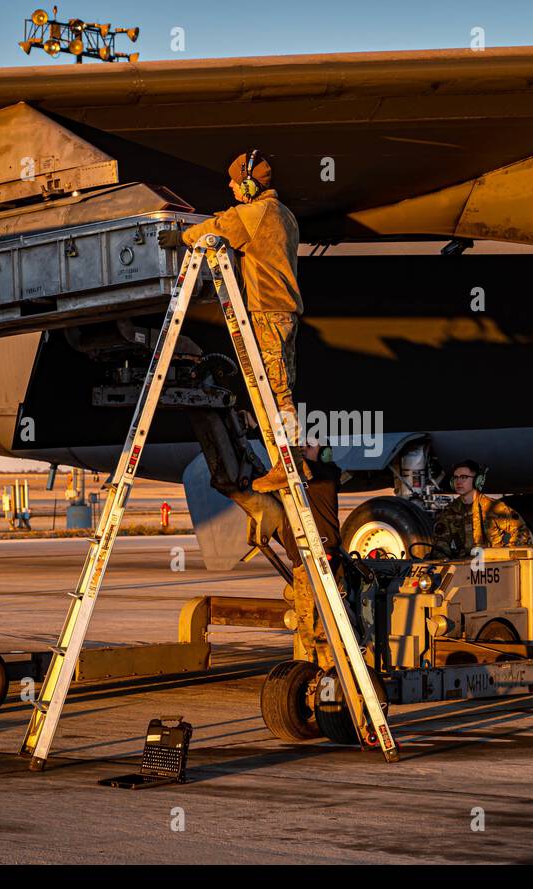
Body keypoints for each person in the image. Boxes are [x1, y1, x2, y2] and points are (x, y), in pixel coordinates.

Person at [173, 149, 304, 493]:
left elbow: (219, 228)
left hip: (268, 311)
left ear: (248, 186)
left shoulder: (255, 214)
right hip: (285, 311)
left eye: (234, 181)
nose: (230, 186)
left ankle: (290, 461)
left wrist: (181, 237)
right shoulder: (283, 213)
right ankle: (292, 459)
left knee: (277, 393)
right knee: (282, 387)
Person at [273, 441, 340, 655]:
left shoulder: (327, 474)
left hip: (320, 561)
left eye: (309, 446)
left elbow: (295, 465)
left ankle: (329, 674)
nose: (303, 449)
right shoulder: (298, 480)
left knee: (325, 630)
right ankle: (316, 671)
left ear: (324, 453)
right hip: (302, 563)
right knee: (307, 631)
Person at [432, 459, 531, 557]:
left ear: (477, 480)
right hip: (465, 566)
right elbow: (441, 543)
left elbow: (521, 529)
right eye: (456, 478)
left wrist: (507, 554)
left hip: (493, 565)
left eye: (464, 477)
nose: (458, 482)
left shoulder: (492, 507)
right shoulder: (450, 511)